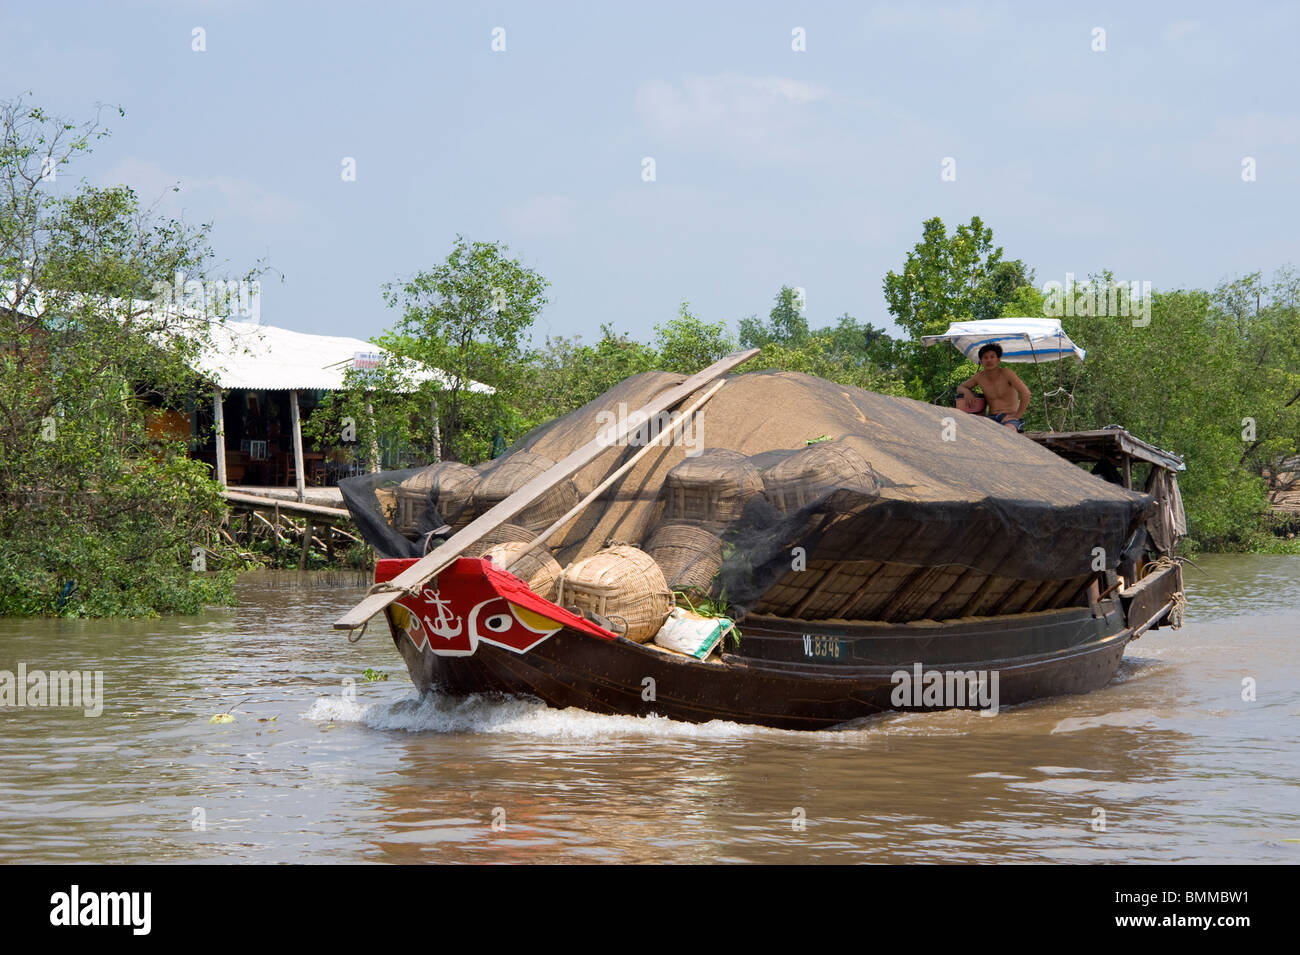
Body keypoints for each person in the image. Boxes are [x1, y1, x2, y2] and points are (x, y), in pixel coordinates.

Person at [955, 343, 1031, 431]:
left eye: (992, 357)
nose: (989, 360)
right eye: (985, 357)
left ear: (998, 359)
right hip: (990, 418)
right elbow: (960, 387)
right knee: (970, 430)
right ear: (981, 361)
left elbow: (1026, 393)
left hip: (1009, 418)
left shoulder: (1007, 373)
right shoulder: (979, 377)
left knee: (1008, 431)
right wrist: (967, 392)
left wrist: (1016, 417)